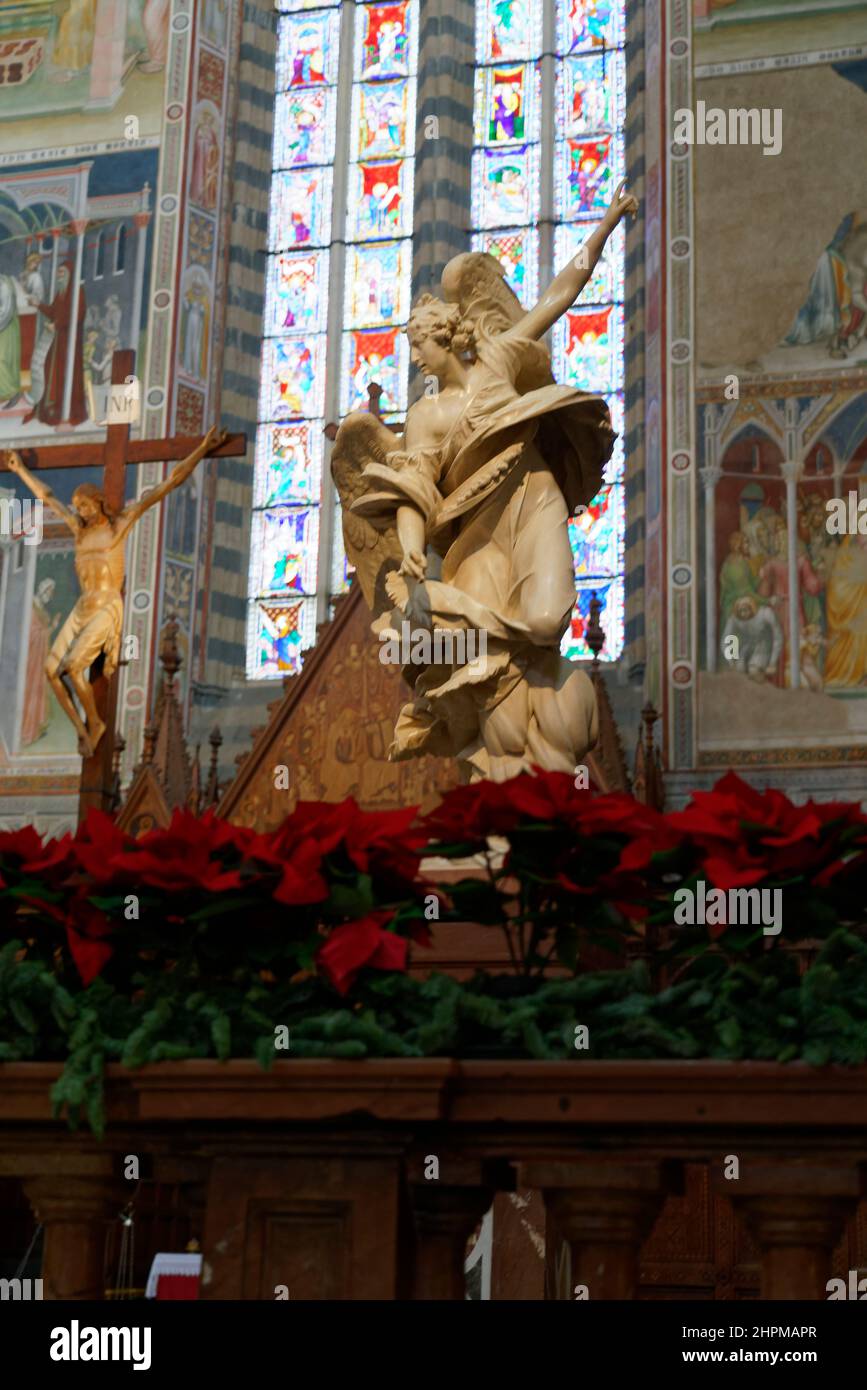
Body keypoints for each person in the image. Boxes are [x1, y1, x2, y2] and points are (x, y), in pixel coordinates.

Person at [4, 427, 227, 756]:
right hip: (83, 606)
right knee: (52, 671)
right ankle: (85, 727)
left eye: (86, 505)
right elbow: (47, 498)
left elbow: (169, 483)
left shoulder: (120, 524)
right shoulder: (78, 532)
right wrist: (20, 469)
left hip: (108, 605)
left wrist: (202, 448)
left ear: (98, 502)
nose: (81, 511)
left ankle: (95, 724)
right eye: (78, 507)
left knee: (75, 665)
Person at [23, 263, 87, 427]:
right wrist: (38, 305)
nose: (59, 275)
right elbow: (54, 311)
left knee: (65, 373)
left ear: (69, 274)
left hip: (69, 342)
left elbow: (77, 315)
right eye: (58, 272)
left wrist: (56, 325)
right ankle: (49, 408)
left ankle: (63, 410)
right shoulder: (61, 293)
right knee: (50, 369)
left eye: (61, 272)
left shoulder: (77, 292)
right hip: (58, 341)